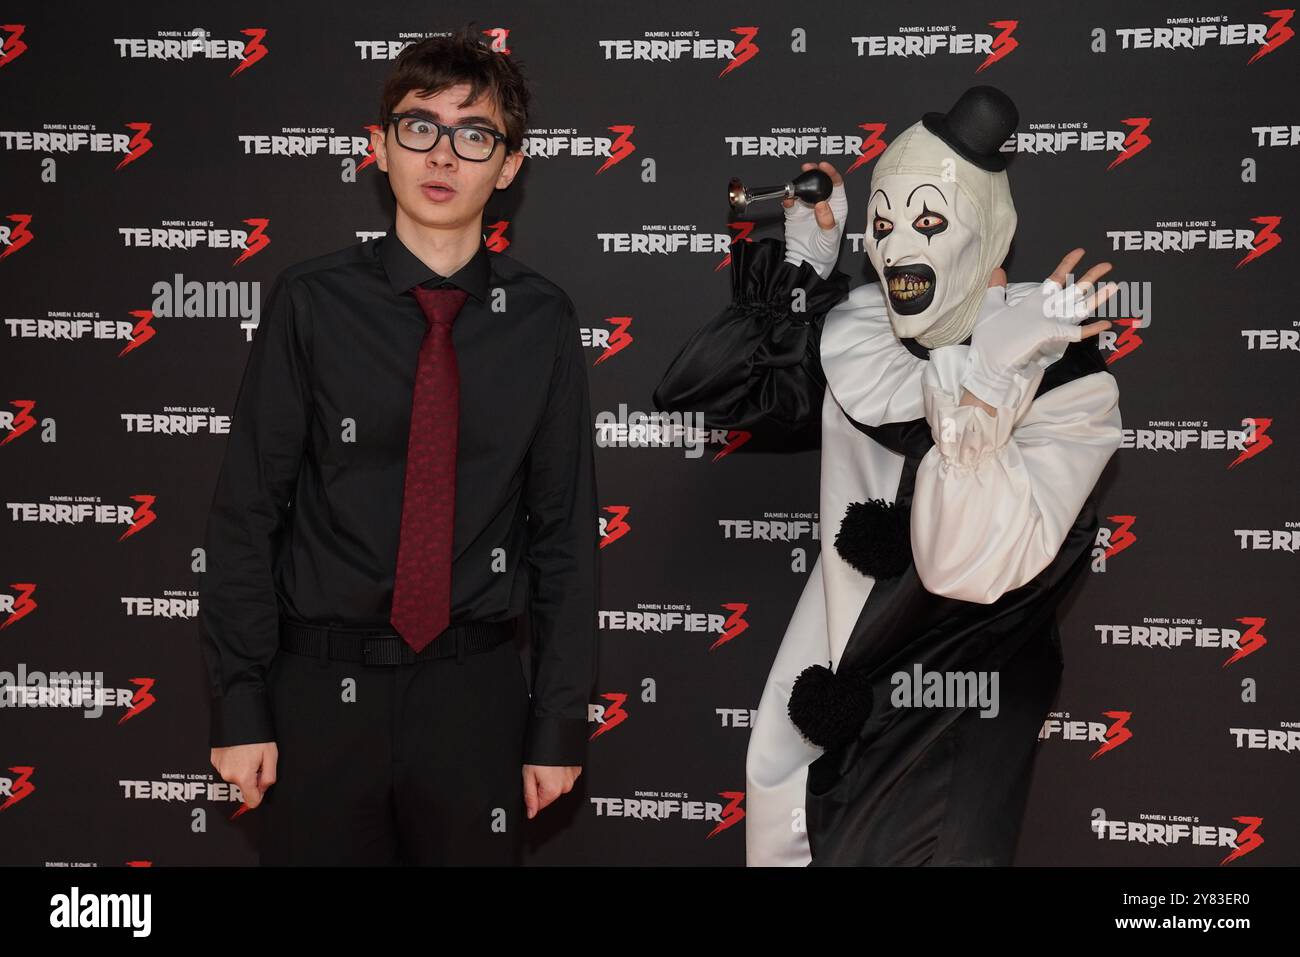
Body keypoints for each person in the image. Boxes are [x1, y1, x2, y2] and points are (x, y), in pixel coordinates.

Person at [653, 86, 1122, 865]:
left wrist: (991, 379)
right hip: (838, 677)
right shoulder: (859, 334)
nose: (904, 245)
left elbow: (960, 562)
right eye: (892, 221)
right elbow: (704, 388)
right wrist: (802, 270)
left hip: (957, 702)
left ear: (991, 231)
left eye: (932, 221)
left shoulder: (1066, 377)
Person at [198, 28, 599, 866]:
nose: (443, 154)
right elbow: (245, 515)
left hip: (475, 697)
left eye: (473, 133)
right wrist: (241, 707)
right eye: (419, 127)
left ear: (510, 164)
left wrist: (557, 722)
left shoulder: (542, 321)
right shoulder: (309, 302)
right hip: (315, 693)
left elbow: (563, 534)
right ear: (380, 147)